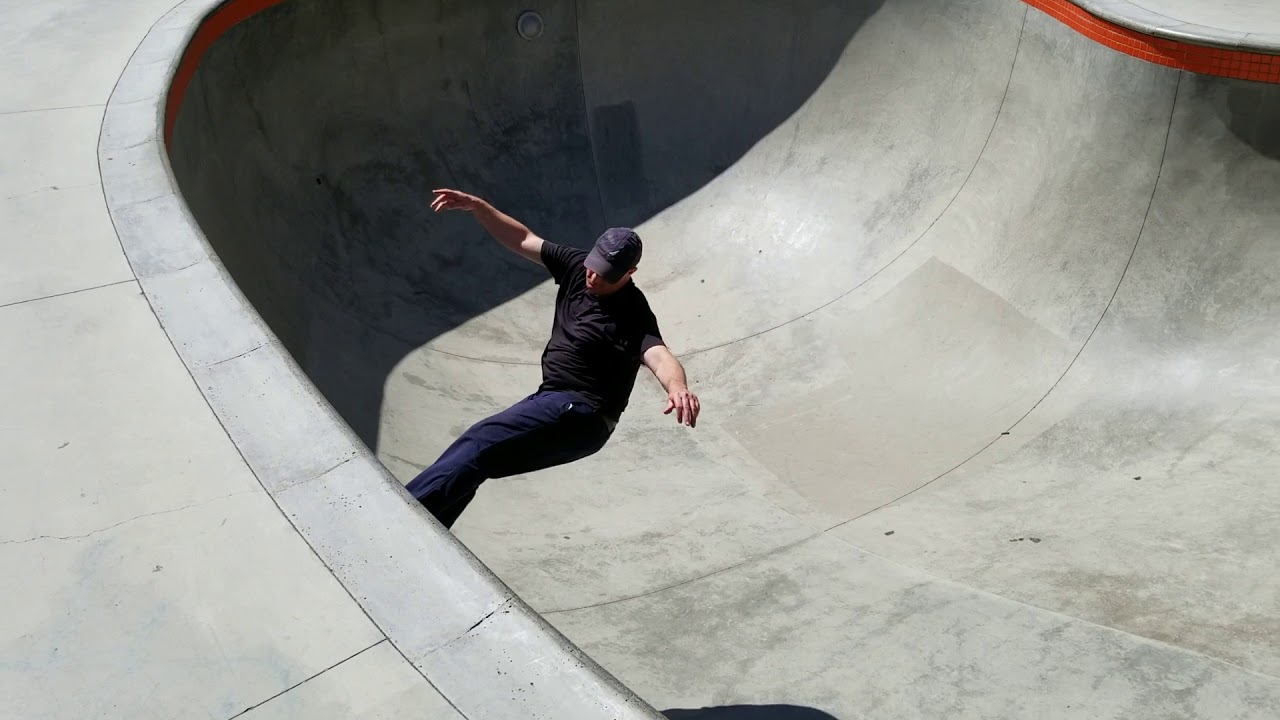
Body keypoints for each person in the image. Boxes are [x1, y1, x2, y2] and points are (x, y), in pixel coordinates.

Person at [405, 188, 701, 528]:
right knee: (476, 464)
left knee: (479, 441)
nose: (593, 277)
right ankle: (423, 537)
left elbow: (659, 356)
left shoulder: (634, 313)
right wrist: (479, 207)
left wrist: (678, 388)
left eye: (606, 274)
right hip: (556, 404)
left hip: (581, 412)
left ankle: (399, 513)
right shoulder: (576, 265)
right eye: (593, 267)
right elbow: (523, 239)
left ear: (630, 272)